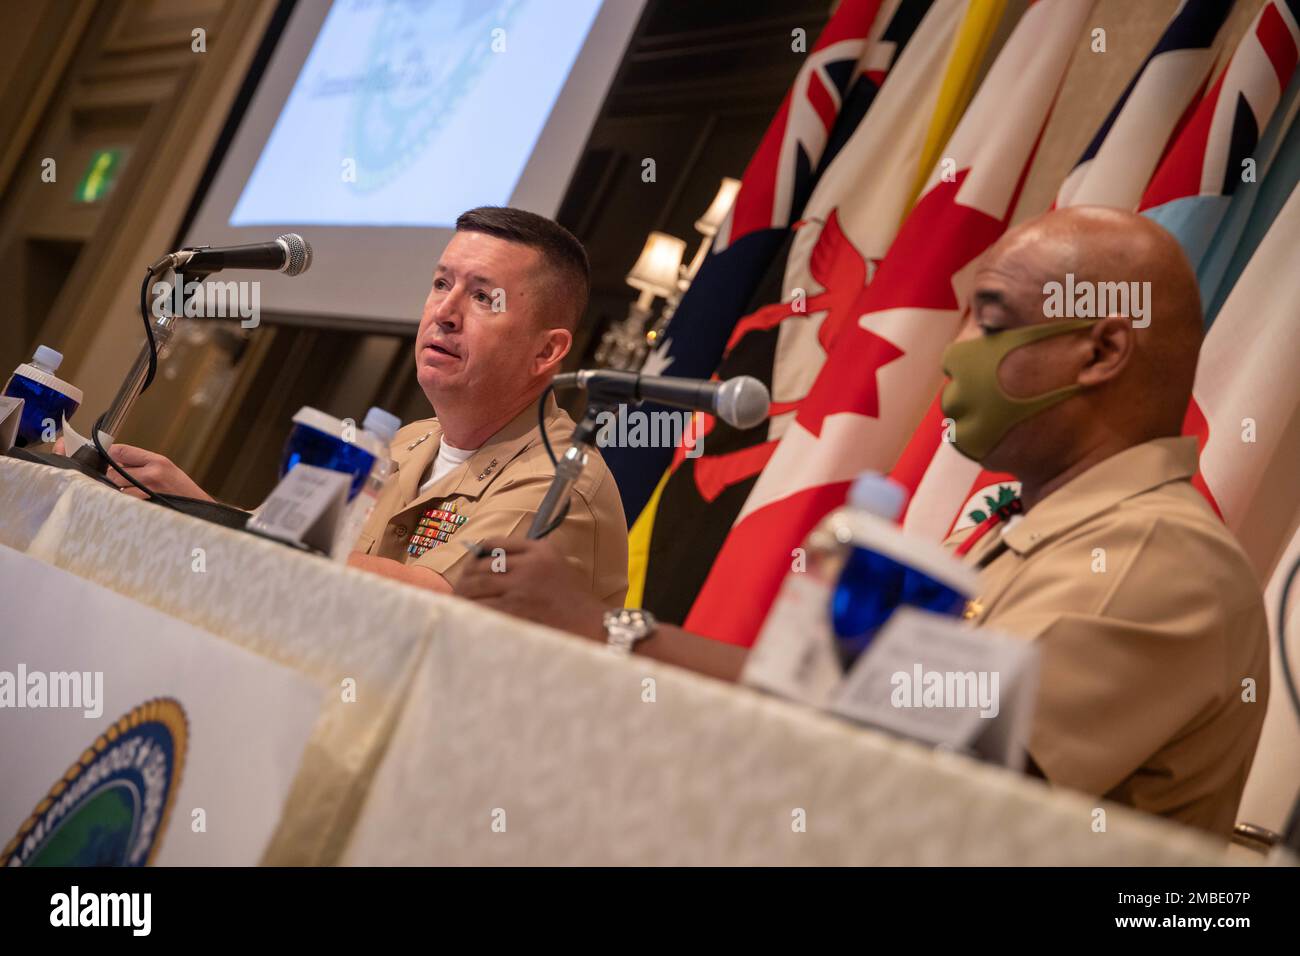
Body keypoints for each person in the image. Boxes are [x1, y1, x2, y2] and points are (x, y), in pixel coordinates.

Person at [458, 206, 1270, 837]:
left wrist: (609, 628)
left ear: (1099, 352)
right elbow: (860, 708)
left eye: (990, 320)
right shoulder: (1043, 525)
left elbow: (918, 755)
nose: (955, 355)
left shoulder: (1154, 554)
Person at [88, 207, 628, 604]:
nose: (444, 311)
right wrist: (190, 503)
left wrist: (210, 520)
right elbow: (297, 550)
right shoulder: (409, 440)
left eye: (485, 297)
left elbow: (425, 600)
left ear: (547, 350)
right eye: (441, 283)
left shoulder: (561, 480)